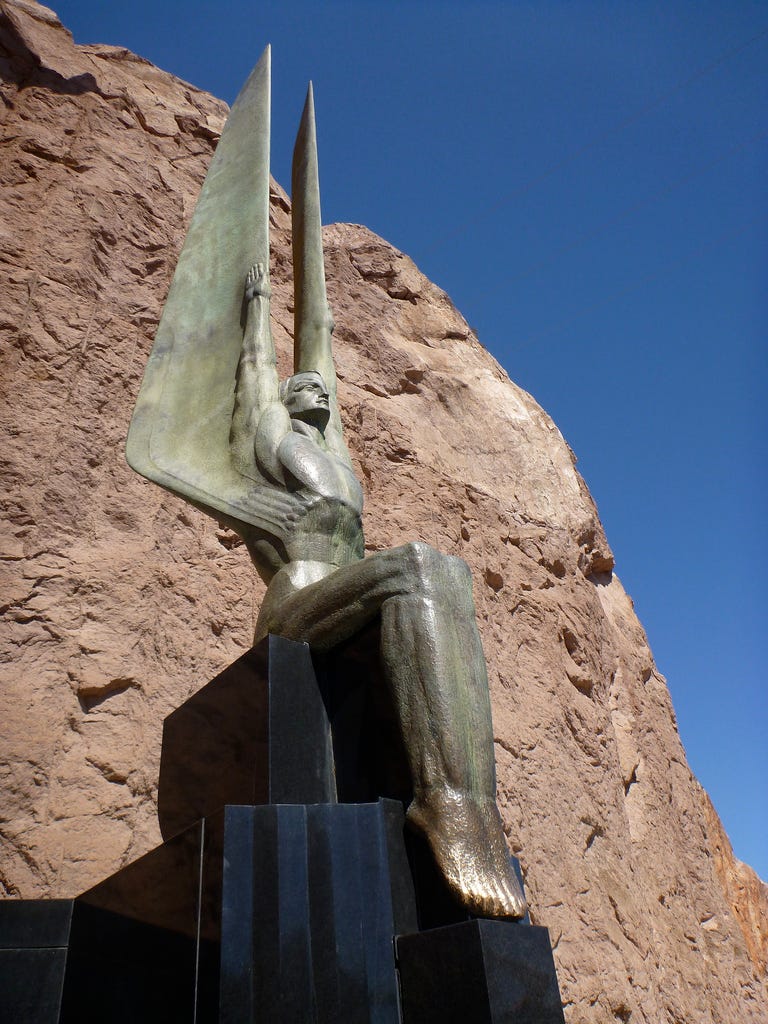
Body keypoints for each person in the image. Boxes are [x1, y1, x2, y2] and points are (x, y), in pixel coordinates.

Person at [229, 260, 526, 920]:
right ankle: (446, 801)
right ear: (284, 395)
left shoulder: (335, 461)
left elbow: (323, 359)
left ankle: (475, 805)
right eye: (304, 384)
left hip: (346, 599)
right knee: (414, 563)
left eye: (324, 390)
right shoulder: (271, 439)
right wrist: (255, 309)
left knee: (446, 570)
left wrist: (321, 319)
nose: (319, 390)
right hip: (296, 601)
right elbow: (254, 378)